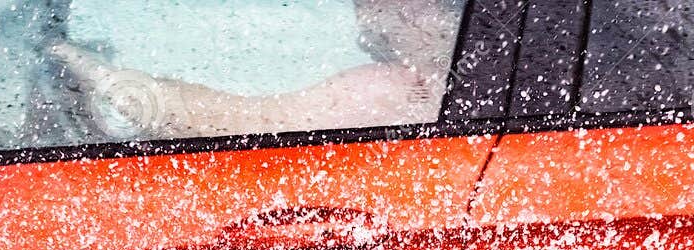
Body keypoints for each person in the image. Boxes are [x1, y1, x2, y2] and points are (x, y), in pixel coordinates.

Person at [48, 0, 465, 139]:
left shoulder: (401, 88)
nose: (367, 13)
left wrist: (111, 83)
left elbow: (246, 122)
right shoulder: (463, 87)